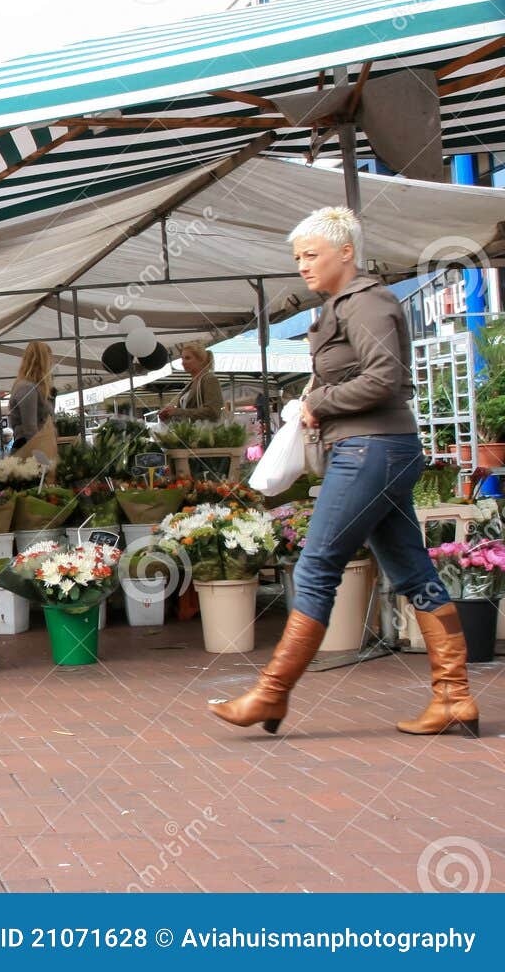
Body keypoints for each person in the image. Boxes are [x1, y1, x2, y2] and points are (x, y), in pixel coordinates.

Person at [211, 207, 478, 738]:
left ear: (346, 252)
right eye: (298, 258)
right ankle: (454, 697)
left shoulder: (367, 302)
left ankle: (271, 693)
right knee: (412, 571)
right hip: (376, 450)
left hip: (370, 451)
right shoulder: (346, 305)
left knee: (316, 567)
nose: (303, 266)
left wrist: (321, 402)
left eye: (312, 255)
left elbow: (386, 379)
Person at [8, 341, 55, 450]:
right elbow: (30, 429)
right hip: (29, 448)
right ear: (43, 361)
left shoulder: (31, 386)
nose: (51, 364)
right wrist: (42, 457)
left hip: (33, 446)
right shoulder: (27, 388)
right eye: (49, 359)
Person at [159, 342, 223, 421]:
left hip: (204, 432)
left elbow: (213, 412)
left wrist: (178, 411)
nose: (183, 362)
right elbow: (186, 412)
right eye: (182, 358)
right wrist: (170, 414)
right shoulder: (191, 383)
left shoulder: (209, 379)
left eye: (188, 358)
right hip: (194, 431)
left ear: (201, 360)